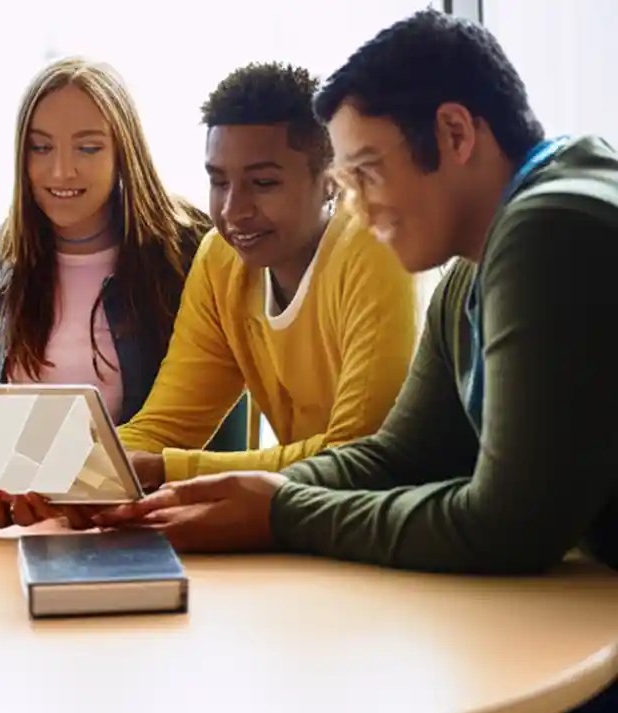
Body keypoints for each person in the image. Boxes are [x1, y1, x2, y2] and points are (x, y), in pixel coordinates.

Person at [95, 10, 618, 577]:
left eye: (367, 174)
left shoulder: (551, 226)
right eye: (347, 184)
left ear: (455, 134)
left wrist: (281, 511)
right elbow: (398, 457)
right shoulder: (472, 271)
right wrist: (234, 492)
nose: (359, 211)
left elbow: (508, 525)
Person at [0, 62, 420, 528]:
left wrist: (166, 470)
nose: (234, 210)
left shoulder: (374, 245)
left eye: (263, 183)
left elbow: (359, 454)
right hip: (318, 526)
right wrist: (53, 478)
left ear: (333, 180)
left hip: (406, 529)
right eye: (219, 181)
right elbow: (165, 425)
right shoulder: (221, 258)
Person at [0, 57, 246, 528]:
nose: (61, 171)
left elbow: (220, 428)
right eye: (41, 148)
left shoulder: (189, 252)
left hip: (154, 523)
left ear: (123, 152)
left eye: (87, 148)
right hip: (26, 529)